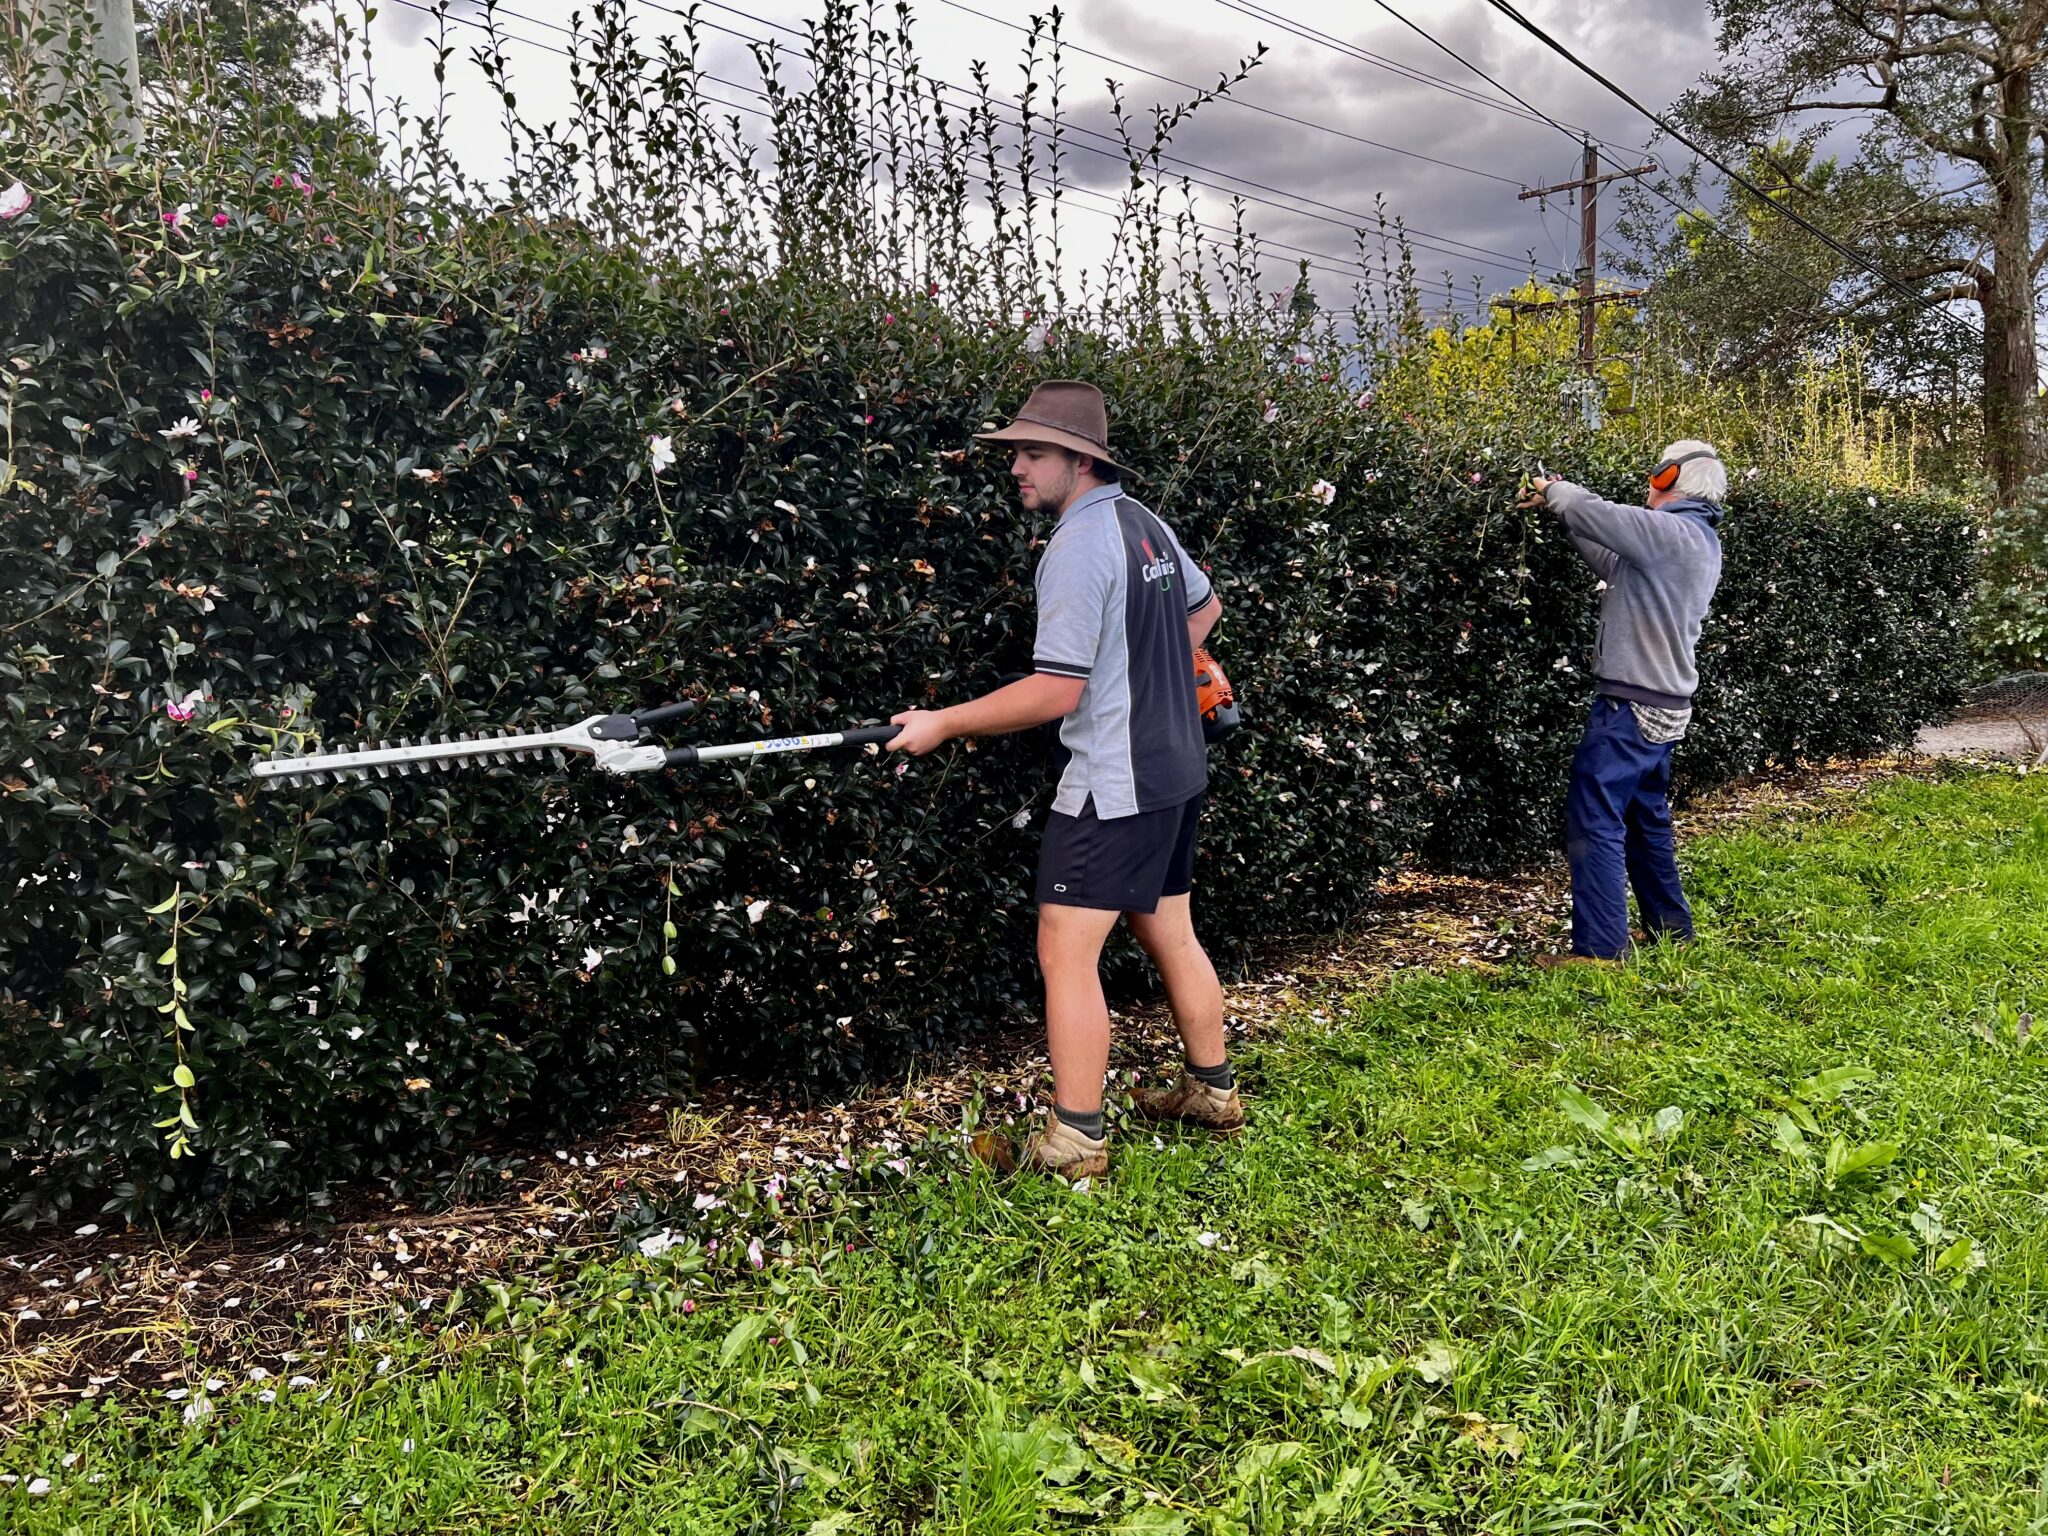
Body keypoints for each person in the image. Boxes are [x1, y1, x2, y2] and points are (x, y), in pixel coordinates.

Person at [888, 380, 1237, 1179]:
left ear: (1080, 461)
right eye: (1015, 452)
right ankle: (1213, 1094)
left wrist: (943, 721)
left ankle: (1076, 1140)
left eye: (1033, 454)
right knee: (1170, 929)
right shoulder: (1143, 522)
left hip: (1115, 780)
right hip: (1176, 766)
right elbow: (1204, 609)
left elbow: (1056, 692)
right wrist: (1148, 669)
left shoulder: (1077, 547)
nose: (1016, 467)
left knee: (1065, 952)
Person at [1518, 442, 1727, 966]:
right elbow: (1610, 556)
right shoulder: (1695, 539)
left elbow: (1593, 511)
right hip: (1663, 701)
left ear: (1667, 477)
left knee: (1595, 816)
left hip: (1631, 707)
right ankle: (1670, 928)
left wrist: (1555, 490)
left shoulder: (1670, 532)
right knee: (1643, 816)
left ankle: (1600, 951)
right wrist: (1561, 513)